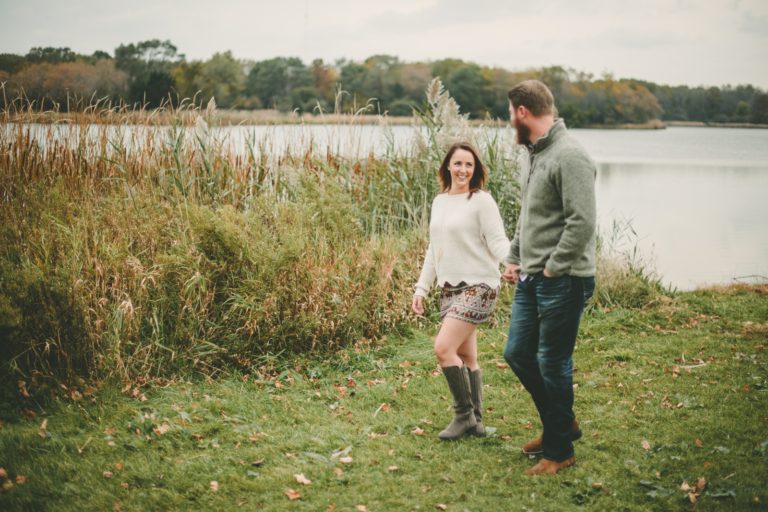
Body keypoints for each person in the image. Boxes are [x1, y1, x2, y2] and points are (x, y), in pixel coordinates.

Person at [501, 80, 597, 475]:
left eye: (510, 114)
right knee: (517, 353)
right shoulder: (536, 153)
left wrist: (554, 266)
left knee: (553, 362)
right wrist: (514, 257)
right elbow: (530, 217)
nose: (509, 122)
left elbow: (582, 222)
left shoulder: (570, 155)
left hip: (563, 277)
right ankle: (561, 423)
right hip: (532, 277)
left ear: (523, 111)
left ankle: (559, 452)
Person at [412, 141, 510, 441]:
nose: (463, 169)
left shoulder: (480, 200)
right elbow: (434, 248)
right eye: (458, 163)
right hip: (450, 289)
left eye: (469, 164)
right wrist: (421, 287)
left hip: (480, 285)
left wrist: (513, 263)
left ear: (476, 169)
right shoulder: (440, 202)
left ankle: (463, 416)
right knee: (467, 358)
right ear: (447, 167)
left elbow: (497, 241)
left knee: (444, 348)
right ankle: (477, 423)